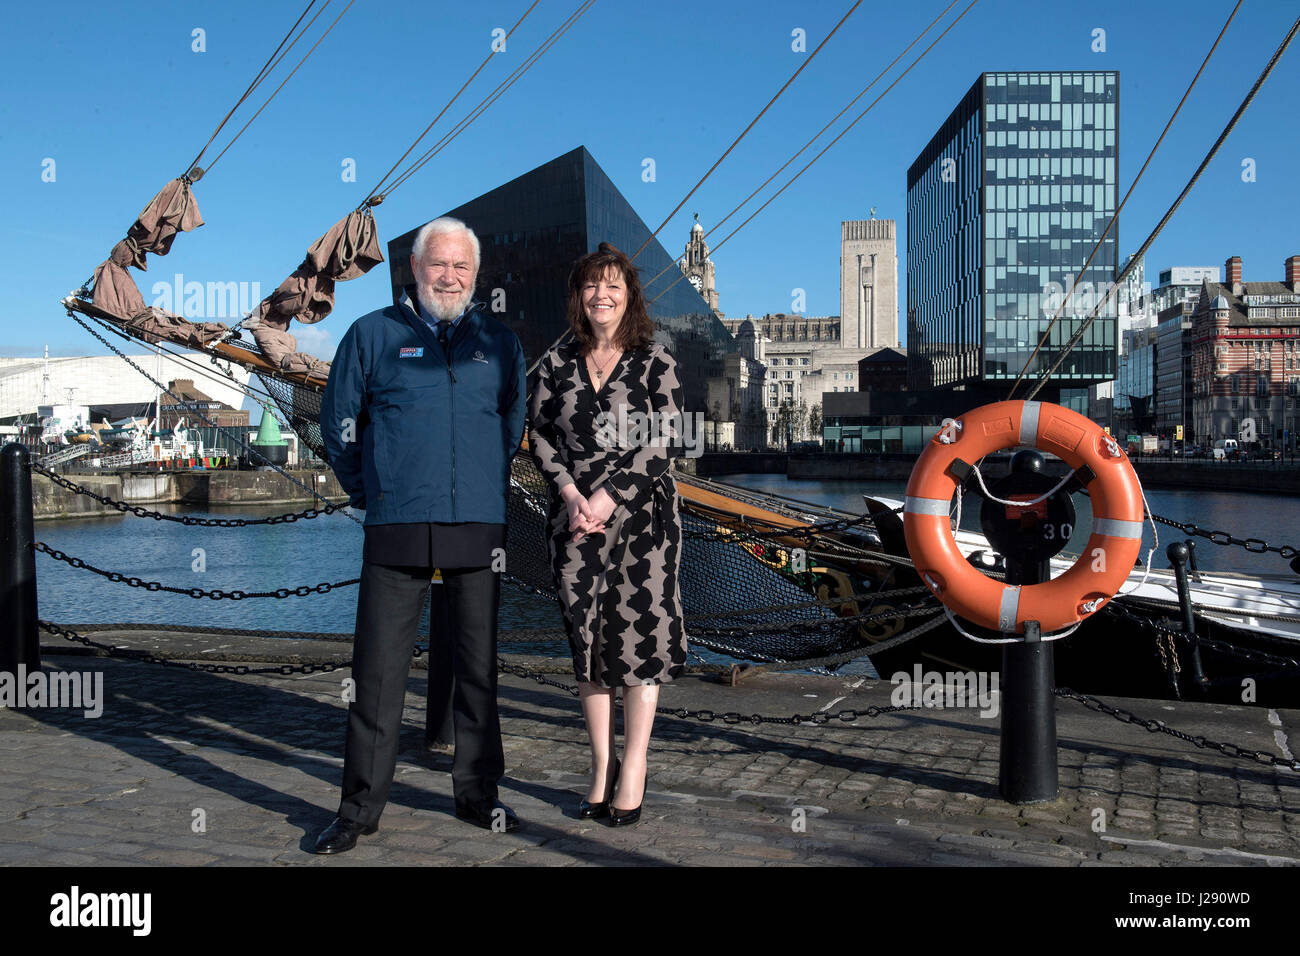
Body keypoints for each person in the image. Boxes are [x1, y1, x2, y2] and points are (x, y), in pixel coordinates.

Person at [312, 216, 526, 854]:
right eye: (439, 264)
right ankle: (358, 810)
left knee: (478, 670)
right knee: (377, 673)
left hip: (478, 526)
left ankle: (478, 794)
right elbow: (339, 423)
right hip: (397, 524)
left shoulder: (500, 342)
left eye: (462, 266)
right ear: (414, 267)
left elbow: (510, 425)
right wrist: (372, 489)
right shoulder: (372, 335)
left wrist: (483, 482)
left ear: (475, 274)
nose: (450, 277)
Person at [527, 242, 687, 827]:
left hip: (643, 520)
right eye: (592, 285)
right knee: (588, 642)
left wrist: (609, 495)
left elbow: (666, 438)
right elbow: (539, 434)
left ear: (629, 296)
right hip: (575, 520)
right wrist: (572, 494)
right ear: (579, 295)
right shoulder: (556, 361)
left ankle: (635, 765)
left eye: (613, 285)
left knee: (638, 640)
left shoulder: (655, 360)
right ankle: (601, 765)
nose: (602, 295)